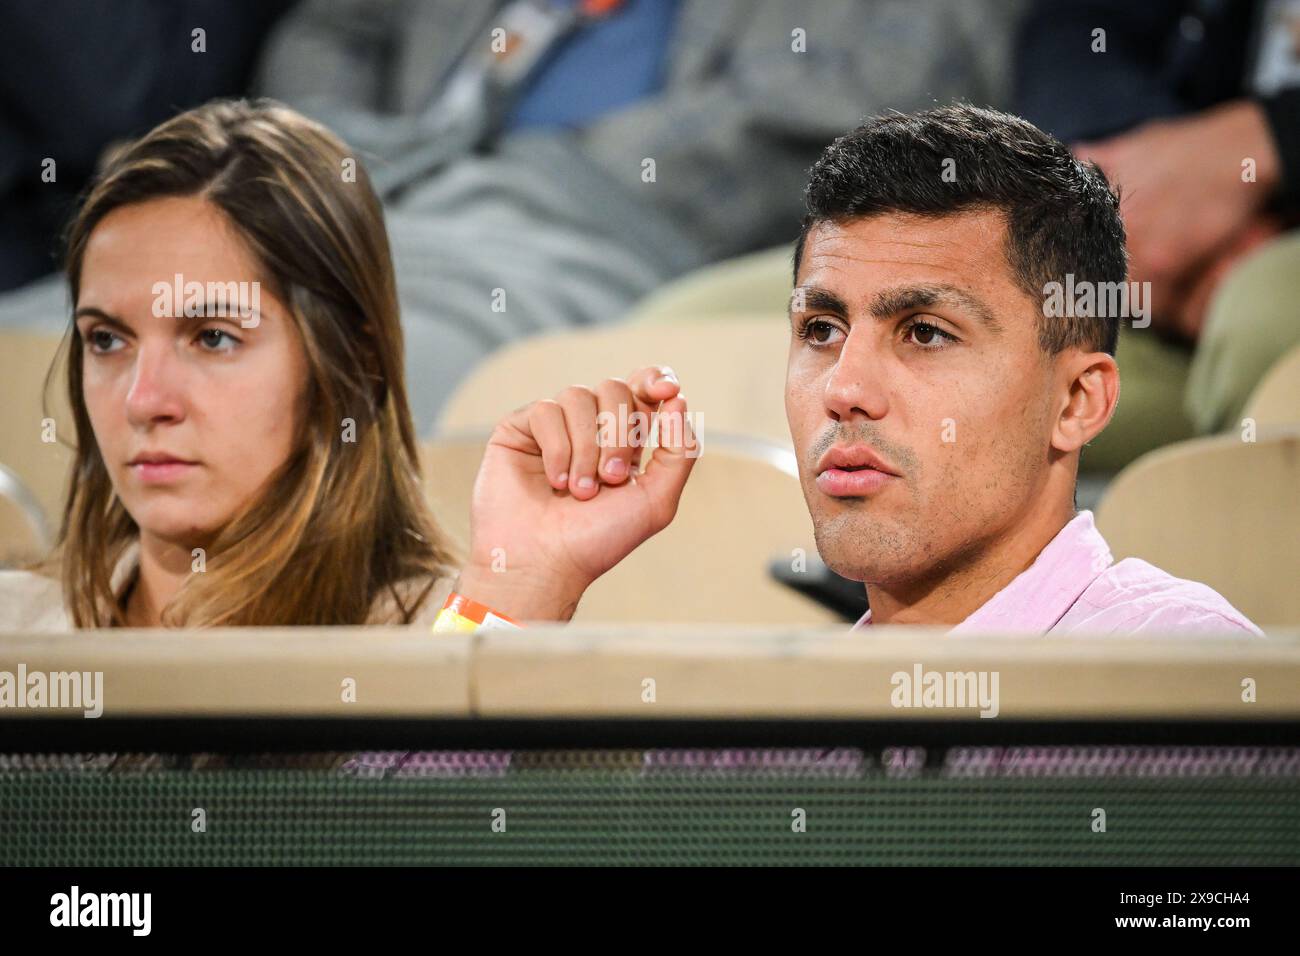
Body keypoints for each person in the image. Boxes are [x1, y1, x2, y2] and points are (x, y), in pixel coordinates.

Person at [455, 106, 1261, 636]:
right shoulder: (772, 734)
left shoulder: (1181, 671)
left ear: (1079, 400)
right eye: (822, 327)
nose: (844, 389)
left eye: (927, 333)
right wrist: (522, 579)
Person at [0, 99, 461, 629]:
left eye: (213, 338)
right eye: (106, 340)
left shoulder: (448, 626)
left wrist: (519, 590)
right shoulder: (14, 628)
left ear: (357, 362)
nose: (143, 401)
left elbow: (459, 677)